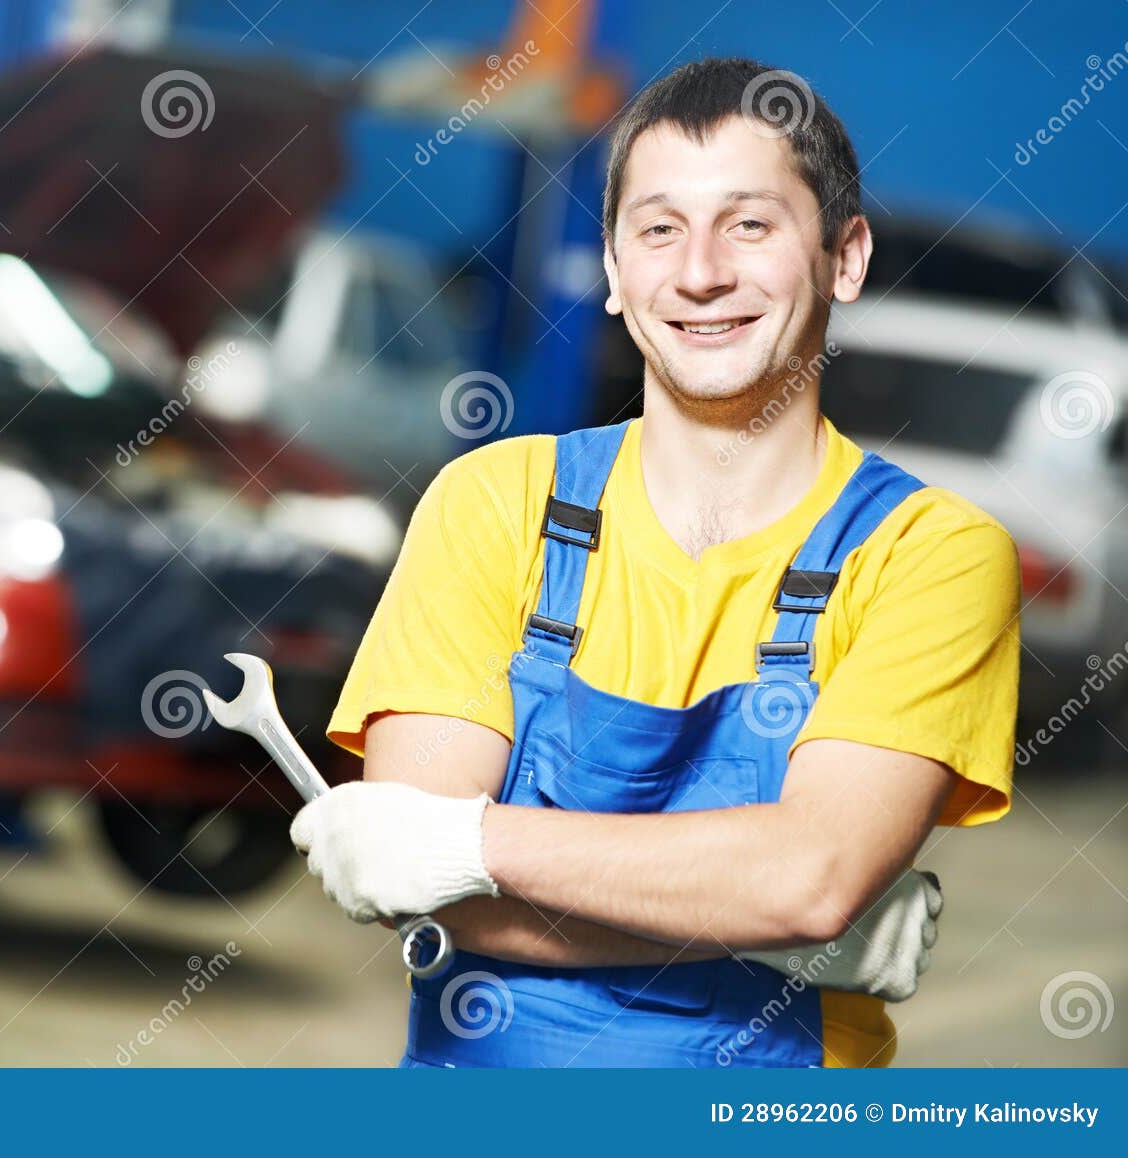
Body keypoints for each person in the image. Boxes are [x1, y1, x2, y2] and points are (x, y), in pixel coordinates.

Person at [290, 57, 1020, 1068]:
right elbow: (419, 897)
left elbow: (809, 878)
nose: (699, 272)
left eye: (750, 225)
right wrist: (777, 934)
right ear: (610, 266)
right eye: (659, 228)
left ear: (843, 258)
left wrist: (468, 845)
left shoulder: (929, 556)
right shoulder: (497, 504)